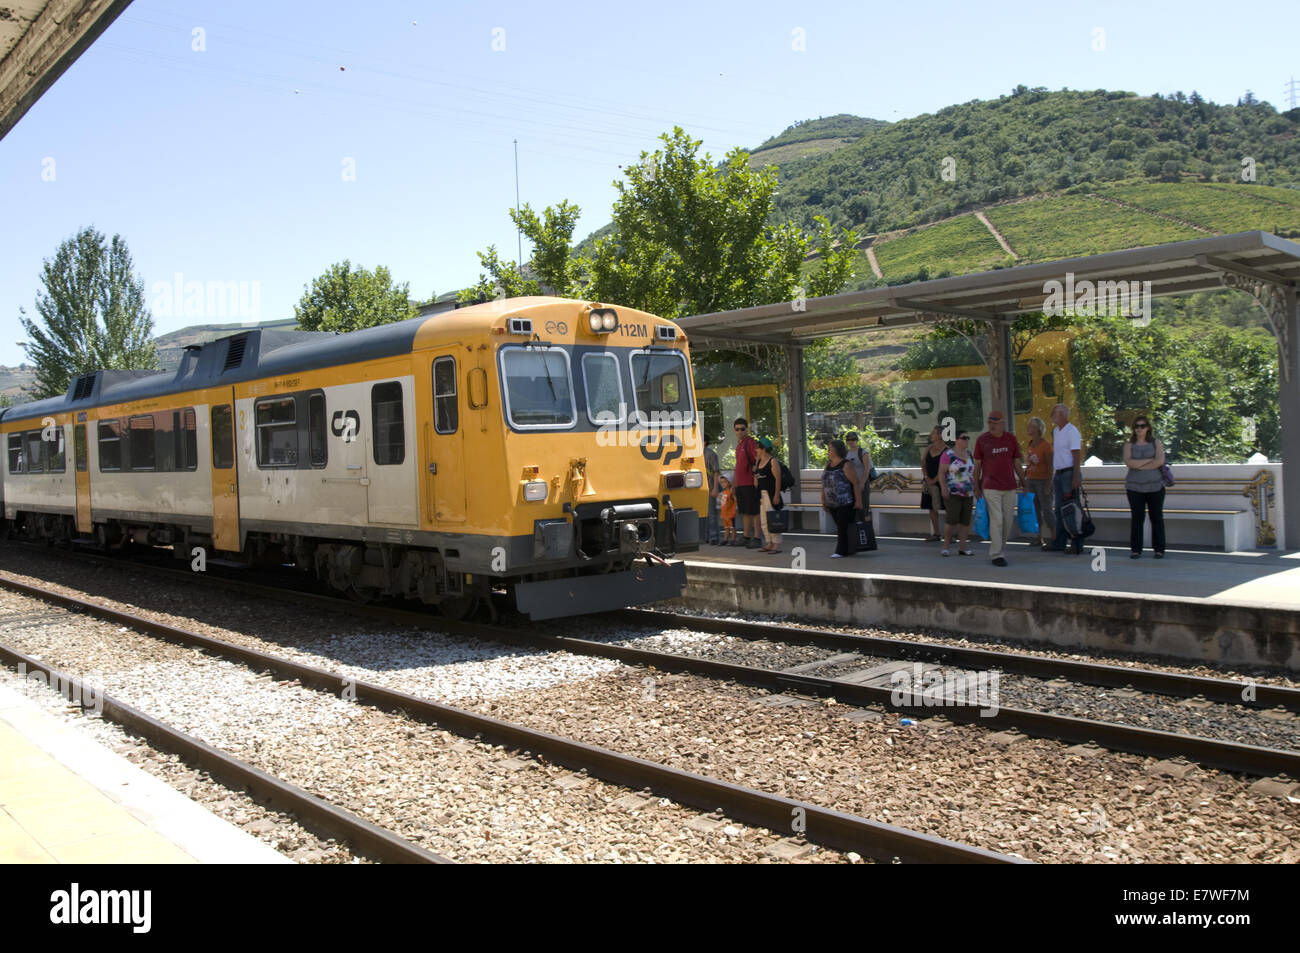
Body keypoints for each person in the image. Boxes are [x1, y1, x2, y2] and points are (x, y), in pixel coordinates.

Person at [973, 410, 1024, 568]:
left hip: (1009, 486)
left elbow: (1016, 462)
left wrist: (1024, 480)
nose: (991, 425)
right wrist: (976, 486)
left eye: (994, 422)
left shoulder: (1010, 439)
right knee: (997, 519)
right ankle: (996, 554)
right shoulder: (982, 440)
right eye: (989, 422)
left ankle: (1000, 548)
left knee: (1007, 521)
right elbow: (977, 466)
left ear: (1002, 423)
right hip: (990, 486)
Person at [1123, 415, 1167, 559]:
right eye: (1136, 426)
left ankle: (1159, 549)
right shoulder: (1129, 445)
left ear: (1147, 427)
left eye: (1142, 426)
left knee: (1156, 517)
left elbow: (1159, 461)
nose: (1139, 429)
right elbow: (1129, 462)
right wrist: (1149, 461)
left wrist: (1139, 464)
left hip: (1155, 486)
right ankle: (1136, 549)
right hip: (1134, 487)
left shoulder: (1156, 443)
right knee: (1137, 518)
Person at [1048, 403, 1084, 555]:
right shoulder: (1056, 431)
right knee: (1059, 509)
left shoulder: (1072, 431)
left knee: (1072, 508)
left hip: (1069, 473)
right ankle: (1060, 542)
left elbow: (1076, 455)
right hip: (1059, 473)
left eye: (1054, 413)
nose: (1052, 416)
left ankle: (1077, 543)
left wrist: (1076, 477)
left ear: (1062, 415)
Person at [821, 439, 862, 558]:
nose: (828, 451)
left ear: (837, 450)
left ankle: (840, 550)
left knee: (842, 527)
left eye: (830, 449)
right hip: (831, 502)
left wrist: (858, 501)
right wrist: (823, 499)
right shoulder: (827, 465)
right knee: (840, 526)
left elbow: (856, 483)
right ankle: (850, 548)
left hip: (845, 502)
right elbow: (824, 484)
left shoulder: (846, 464)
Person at [938, 432, 976, 558]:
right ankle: (946, 546)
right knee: (952, 520)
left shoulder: (969, 454)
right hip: (953, 492)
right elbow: (941, 473)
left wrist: (976, 487)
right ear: (956, 440)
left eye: (967, 438)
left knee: (965, 521)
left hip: (968, 492)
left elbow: (973, 472)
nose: (966, 440)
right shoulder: (948, 454)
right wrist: (944, 488)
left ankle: (963, 547)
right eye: (963, 438)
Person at [1022, 416, 1055, 551]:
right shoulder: (1030, 444)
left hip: (1042, 481)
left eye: (1031, 426)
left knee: (1046, 509)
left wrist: (1048, 484)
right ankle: (1038, 537)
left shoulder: (1046, 446)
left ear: (1038, 429)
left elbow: (1050, 466)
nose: (1028, 428)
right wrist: (1024, 478)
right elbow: (1029, 463)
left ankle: (1054, 537)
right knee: (1034, 510)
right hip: (1031, 480)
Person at [731, 418, 761, 549]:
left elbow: (758, 459)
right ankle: (746, 536)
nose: (740, 431)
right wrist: (734, 484)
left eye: (742, 429)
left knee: (754, 511)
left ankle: (757, 538)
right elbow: (738, 465)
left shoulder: (750, 443)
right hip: (740, 484)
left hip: (750, 482)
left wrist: (756, 478)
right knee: (745, 511)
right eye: (737, 429)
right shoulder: (739, 445)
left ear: (747, 429)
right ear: (734, 430)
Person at [755, 437, 784, 554]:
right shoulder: (759, 462)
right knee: (764, 520)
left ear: (763, 448)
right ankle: (769, 542)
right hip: (762, 494)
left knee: (773, 519)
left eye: (758, 447)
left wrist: (776, 495)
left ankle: (776, 543)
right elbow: (756, 478)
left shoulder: (773, 461)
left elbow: (778, 479)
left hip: (770, 494)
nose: (756, 449)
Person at [920, 426, 947, 541]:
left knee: (947, 508)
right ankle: (936, 534)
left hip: (942, 483)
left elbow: (946, 469)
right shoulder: (929, 448)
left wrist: (935, 480)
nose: (931, 435)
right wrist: (927, 477)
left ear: (940, 435)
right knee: (931, 508)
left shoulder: (946, 450)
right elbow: (923, 463)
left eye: (933, 433)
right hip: (928, 483)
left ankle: (949, 535)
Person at [844, 431, 873, 516]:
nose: (850, 441)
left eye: (853, 439)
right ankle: (855, 527)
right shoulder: (846, 454)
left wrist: (862, 483)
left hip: (862, 483)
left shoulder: (863, 453)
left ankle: (866, 526)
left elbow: (867, 469)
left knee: (864, 507)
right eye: (848, 439)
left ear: (857, 440)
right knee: (852, 508)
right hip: (850, 485)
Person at [703, 434, 721, 545]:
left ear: (704, 442)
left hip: (709, 488)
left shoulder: (710, 454)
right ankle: (705, 536)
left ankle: (714, 537)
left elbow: (716, 472)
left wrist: (715, 488)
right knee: (703, 514)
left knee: (711, 514)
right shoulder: (694, 454)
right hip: (699, 489)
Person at [718, 476, 738, 544]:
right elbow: (723, 503)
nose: (723, 484)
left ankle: (733, 539)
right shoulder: (723, 492)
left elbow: (735, 501)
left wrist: (734, 510)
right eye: (721, 482)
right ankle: (725, 539)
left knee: (732, 527)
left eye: (724, 482)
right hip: (724, 514)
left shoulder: (731, 492)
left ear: (729, 483)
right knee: (726, 527)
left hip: (730, 514)